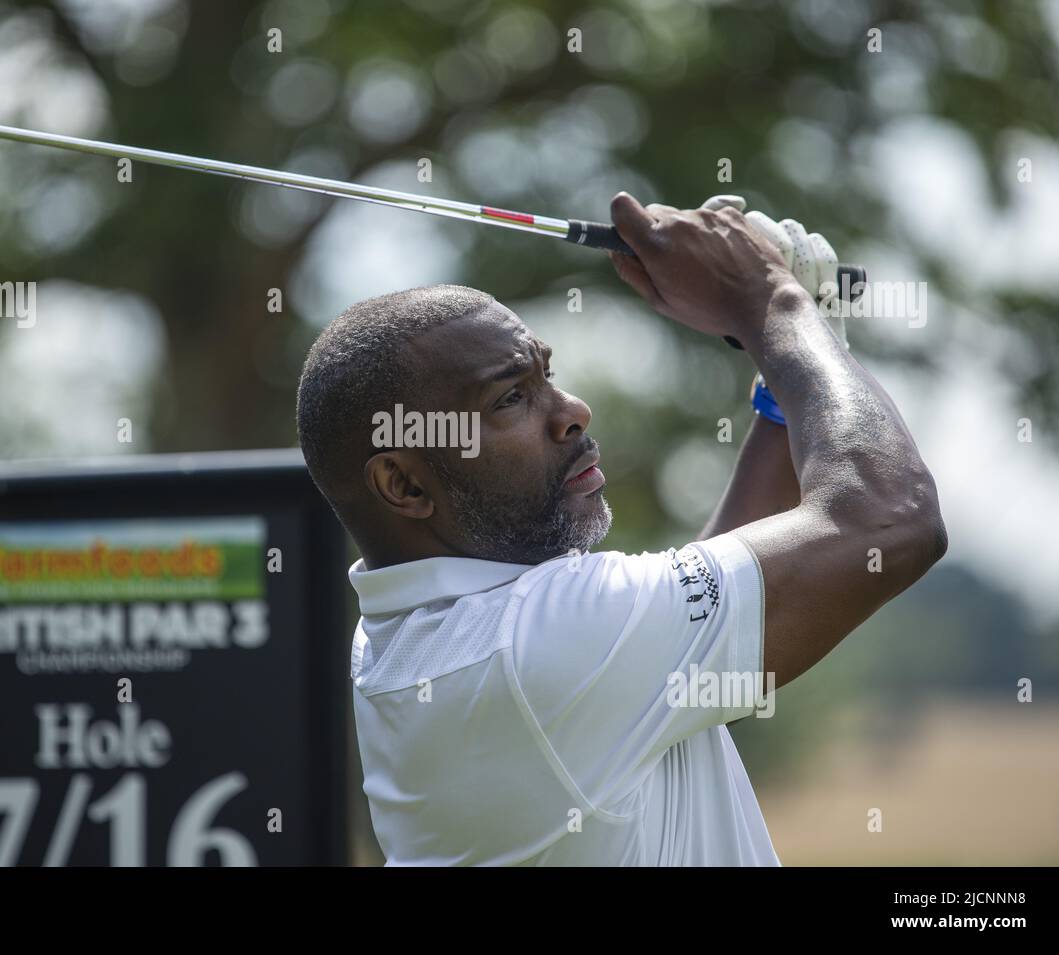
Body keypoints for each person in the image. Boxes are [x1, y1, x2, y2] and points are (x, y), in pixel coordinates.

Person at [295, 191, 947, 865]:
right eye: (510, 398)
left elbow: (697, 609)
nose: (572, 410)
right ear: (403, 483)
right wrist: (775, 307)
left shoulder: (419, 634)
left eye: (548, 375)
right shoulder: (530, 647)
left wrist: (793, 366)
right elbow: (894, 520)